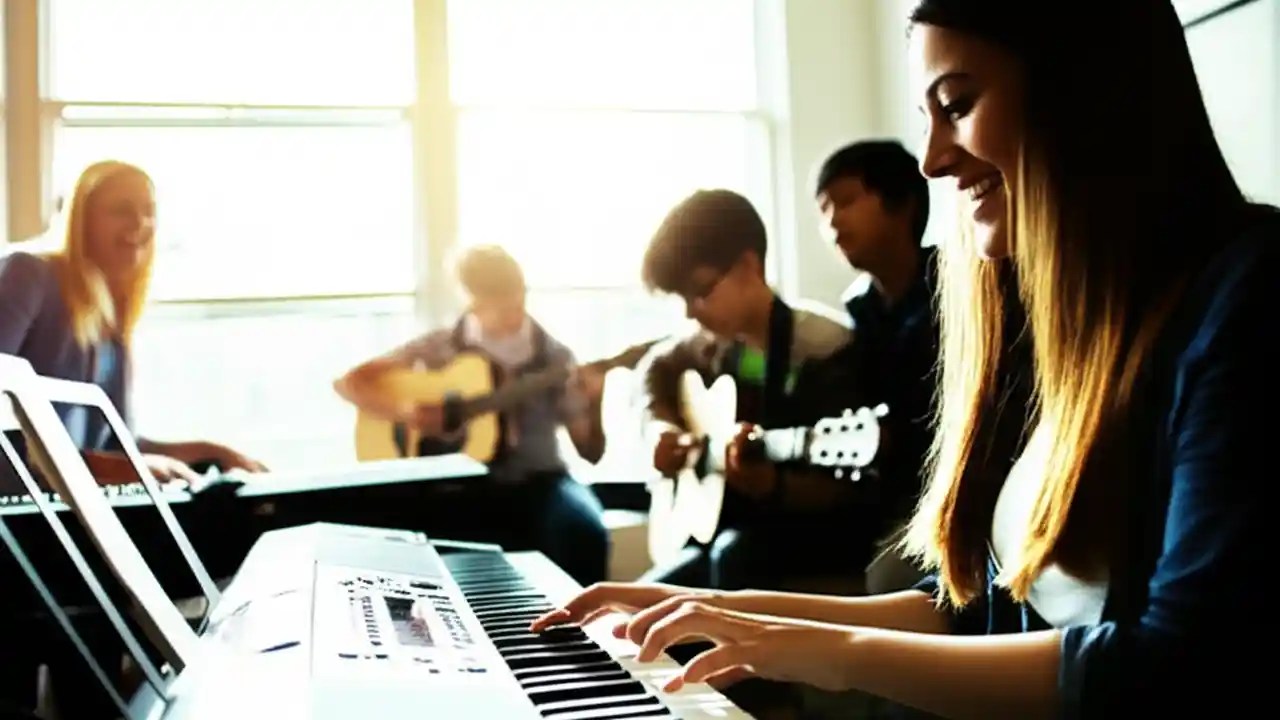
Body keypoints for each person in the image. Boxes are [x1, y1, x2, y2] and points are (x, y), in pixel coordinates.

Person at [529, 2, 1274, 718]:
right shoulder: (1043, 326)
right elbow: (971, 610)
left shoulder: (1246, 300)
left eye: (956, 103)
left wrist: (830, 650)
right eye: (926, 118)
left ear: (1086, 89)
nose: (931, 159)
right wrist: (717, 611)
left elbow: (1181, 670)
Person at [334, 244, 610, 585]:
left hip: (540, 481)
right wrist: (408, 413)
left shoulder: (555, 358)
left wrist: (594, 401)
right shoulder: (441, 347)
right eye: (495, 305)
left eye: (516, 301)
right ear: (472, 300)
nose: (511, 315)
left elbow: (591, 451)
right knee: (403, 538)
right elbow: (350, 384)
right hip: (457, 488)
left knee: (583, 531)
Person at [633, 188, 867, 591]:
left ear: (747, 266)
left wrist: (775, 486)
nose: (690, 311)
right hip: (724, 532)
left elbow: (851, 494)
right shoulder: (711, 342)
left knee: (730, 559)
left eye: (700, 291)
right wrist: (660, 427)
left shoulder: (826, 349)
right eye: (682, 298)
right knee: (625, 612)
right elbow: (654, 367)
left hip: (802, 548)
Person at [0, 160, 265, 485]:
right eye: (121, 210)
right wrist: (97, 468)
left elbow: (116, 447)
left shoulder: (113, 316)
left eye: (148, 210)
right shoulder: (28, 275)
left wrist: (212, 452)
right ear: (82, 220)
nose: (140, 223)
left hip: (72, 512)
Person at [816, 139, 941, 593]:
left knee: (889, 572)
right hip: (878, 498)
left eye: (846, 201)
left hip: (943, 496)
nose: (832, 221)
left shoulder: (959, 286)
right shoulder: (856, 312)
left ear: (904, 202)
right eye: (823, 210)